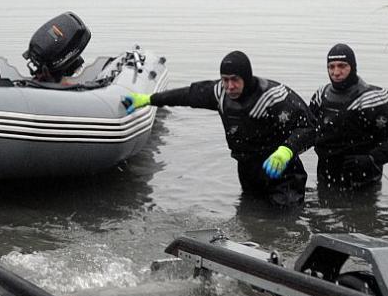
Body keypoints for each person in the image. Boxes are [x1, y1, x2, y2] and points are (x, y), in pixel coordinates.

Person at [124, 51, 316, 207]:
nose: (230, 86)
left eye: (235, 80)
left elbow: (309, 127)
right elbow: (186, 96)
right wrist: (149, 99)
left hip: (282, 172)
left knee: (286, 224)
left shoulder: (275, 97)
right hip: (248, 169)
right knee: (249, 215)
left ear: (246, 78)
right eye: (225, 80)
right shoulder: (220, 93)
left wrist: (286, 150)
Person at [309, 43, 388, 190]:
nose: (336, 72)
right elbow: (307, 132)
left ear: (353, 66)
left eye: (342, 66)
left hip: (363, 180)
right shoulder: (321, 96)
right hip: (326, 177)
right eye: (331, 67)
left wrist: (371, 159)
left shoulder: (375, 99)